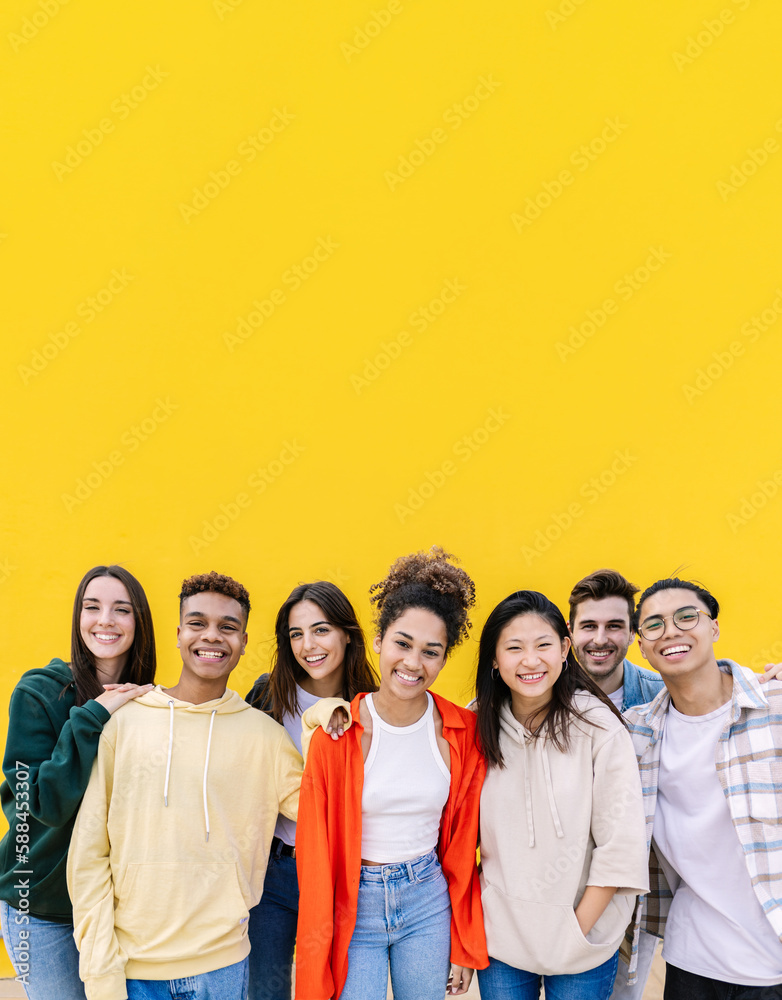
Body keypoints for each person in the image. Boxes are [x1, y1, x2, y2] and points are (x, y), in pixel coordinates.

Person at [67, 571, 340, 1000]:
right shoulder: (124, 722)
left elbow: (321, 813)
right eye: (197, 623)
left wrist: (315, 724)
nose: (211, 637)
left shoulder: (264, 737)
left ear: (244, 641)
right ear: (178, 634)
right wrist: (100, 969)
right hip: (135, 968)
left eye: (228, 627)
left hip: (224, 966)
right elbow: (88, 855)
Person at [295, 547, 488, 1000]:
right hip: (353, 902)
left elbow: (463, 848)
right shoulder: (337, 734)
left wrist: (463, 940)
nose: (413, 663)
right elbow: (315, 853)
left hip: (426, 898)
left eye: (431, 652)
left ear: (444, 659)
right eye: (403, 643)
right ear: (379, 641)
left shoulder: (462, 733)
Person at [475, 590, 648, 1000]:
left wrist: (574, 930)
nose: (530, 660)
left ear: (565, 649)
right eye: (514, 648)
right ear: (495, 659)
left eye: (543, 645)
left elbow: (619, 845)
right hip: (502, 940)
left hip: (581, 944)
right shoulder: (476, 726)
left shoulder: (600, 728)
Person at [0, 565, 156, 1000]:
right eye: (93, 607)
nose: (105, 619)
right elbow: (38, 805)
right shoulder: (39, 693)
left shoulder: (151, 702)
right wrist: (93, 716)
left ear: (138, 621)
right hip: (45, 909)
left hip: (120, 910)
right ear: (78, 617)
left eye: (121, 609)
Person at [623, 577, 782, 998]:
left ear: (713, 627)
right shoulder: (635, 732)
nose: (671, 631)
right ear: (641, 645)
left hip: (774, 963)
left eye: (686, 616)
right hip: (692, 961)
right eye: (653, 624)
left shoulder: (775, 707)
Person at [244, 581, 378, 1000]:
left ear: (346, 635)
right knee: (266, 992)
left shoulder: (370, 705)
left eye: (320, 630)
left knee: (339, 988)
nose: (308, 645)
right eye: (296, 634)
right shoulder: (268, 696)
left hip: (343, 872)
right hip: (275, 873)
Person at [568, 569, 664, 713]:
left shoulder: (664, 695)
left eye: (613, 626)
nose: (600, 640)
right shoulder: (545, 697)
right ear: (570, 632)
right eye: (589, 626)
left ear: (632, 632)